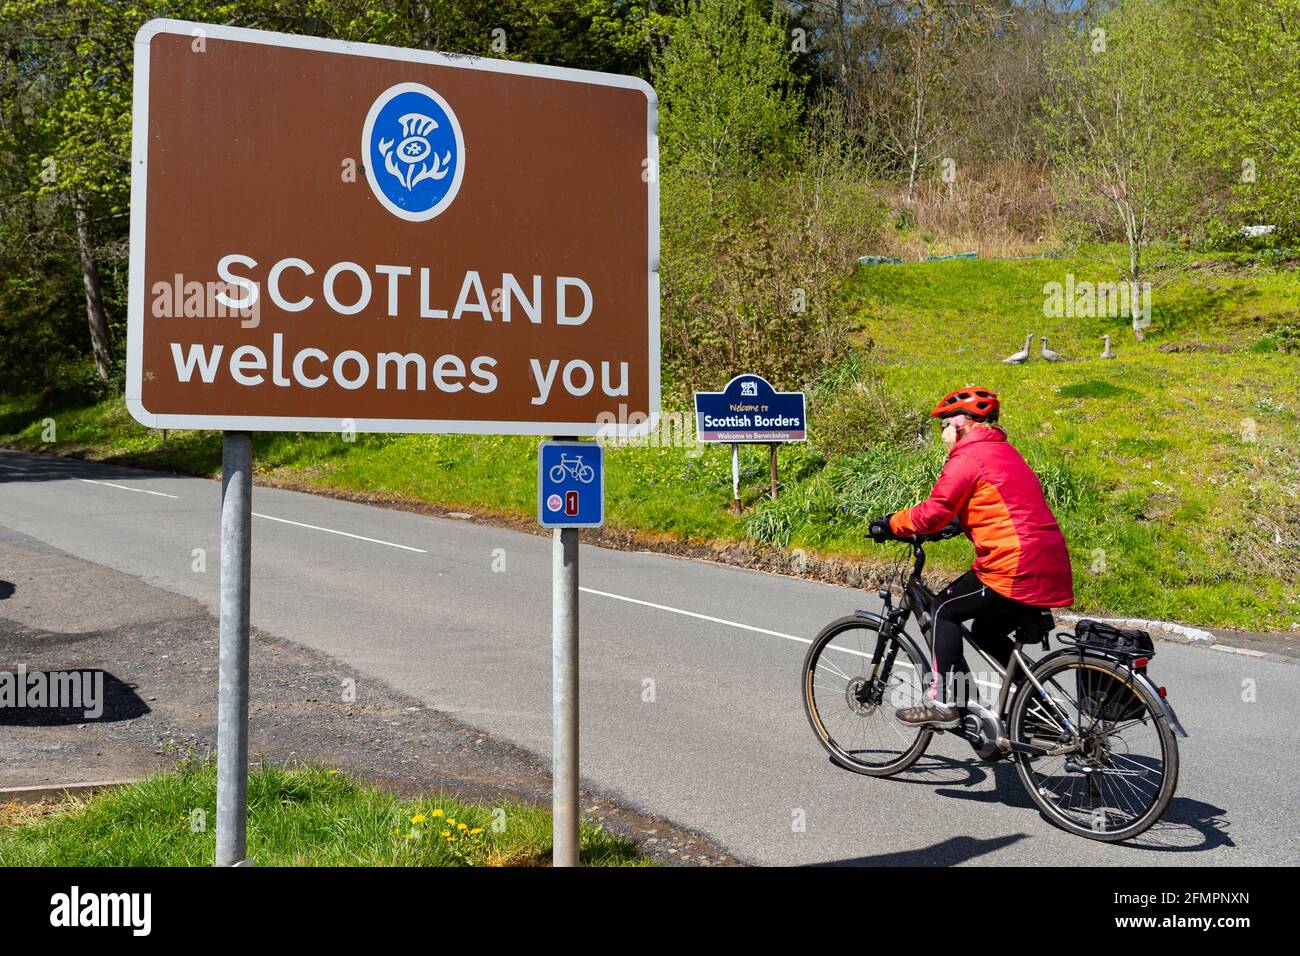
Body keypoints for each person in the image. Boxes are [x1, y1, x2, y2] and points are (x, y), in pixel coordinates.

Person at [868, 386, 1074, 727]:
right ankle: (1038, 710)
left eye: (943, 425)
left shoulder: (967, 457)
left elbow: (934, 510)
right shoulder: (1005, 452)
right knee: (987, 629)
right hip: (1047, 560)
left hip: (1012, 564)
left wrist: (891, 524)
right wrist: (955, 524)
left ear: (960, 423)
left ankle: (947, 701)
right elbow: (999, 505)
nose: (942, 434)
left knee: (943, 611)